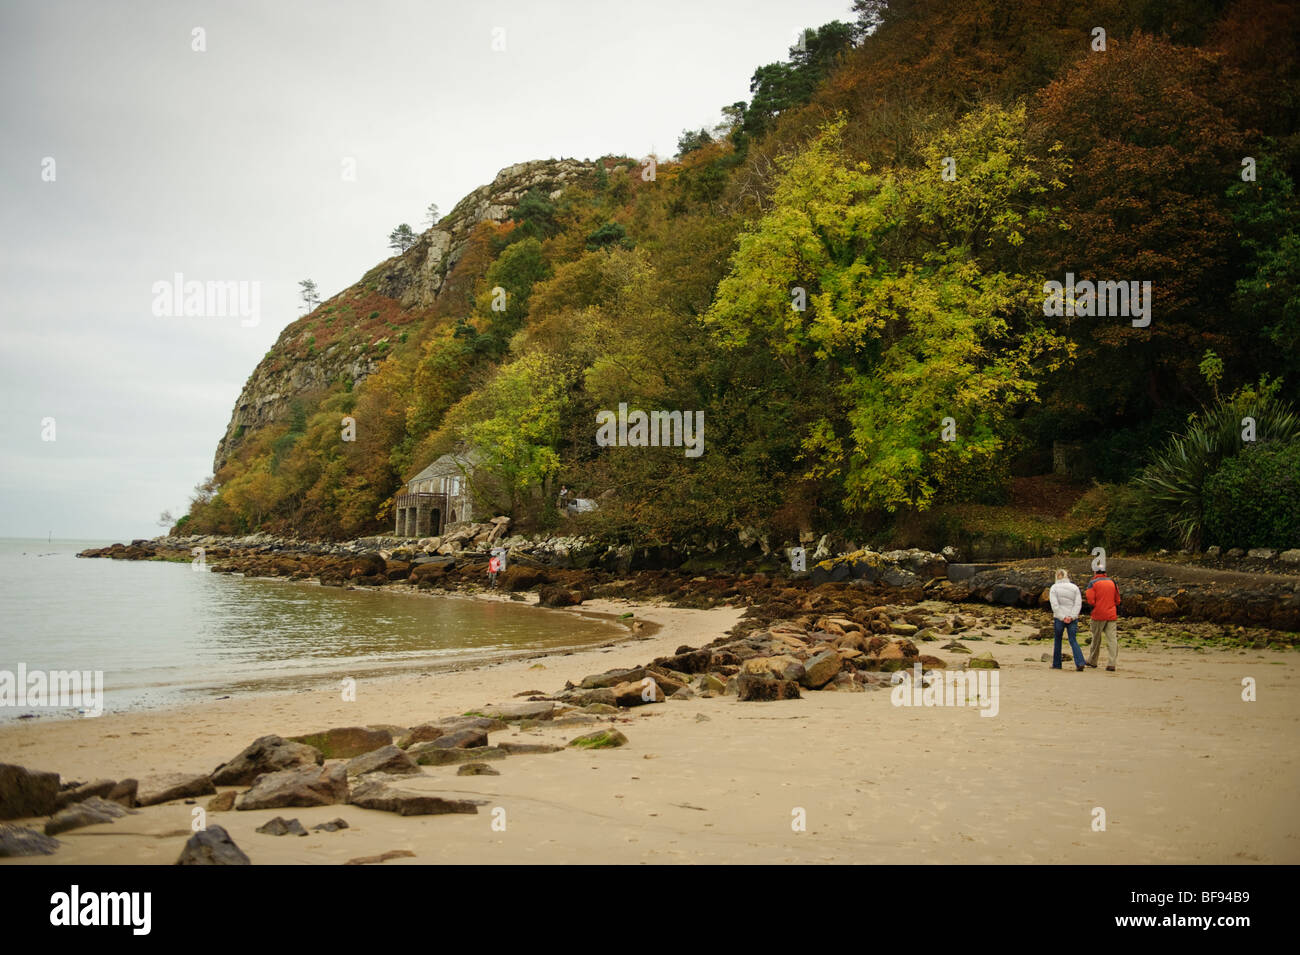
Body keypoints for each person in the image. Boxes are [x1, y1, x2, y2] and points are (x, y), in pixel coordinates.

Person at [1048, 568, 1086, 671]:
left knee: (1058, 640)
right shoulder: (1074, 588)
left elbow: (1054, 605)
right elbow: (1078, 604)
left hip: (1059, 618)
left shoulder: (1054, 588)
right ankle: (1080, 662)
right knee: (1073, 640)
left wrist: (1062, 617)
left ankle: (1057, 664)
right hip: (1072, 617)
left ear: (1057, 576)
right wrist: (1072, 616)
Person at [1085, 566, 1122, 671]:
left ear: (1095, 572)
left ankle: (1093, 660)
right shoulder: (1112, 582)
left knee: (1096, 638)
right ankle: (1112, 663)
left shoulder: (1093, 583)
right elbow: (1118, 600)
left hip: (1098, 614)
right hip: (1111, 614)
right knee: (1112, 639)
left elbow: (1090, 600)